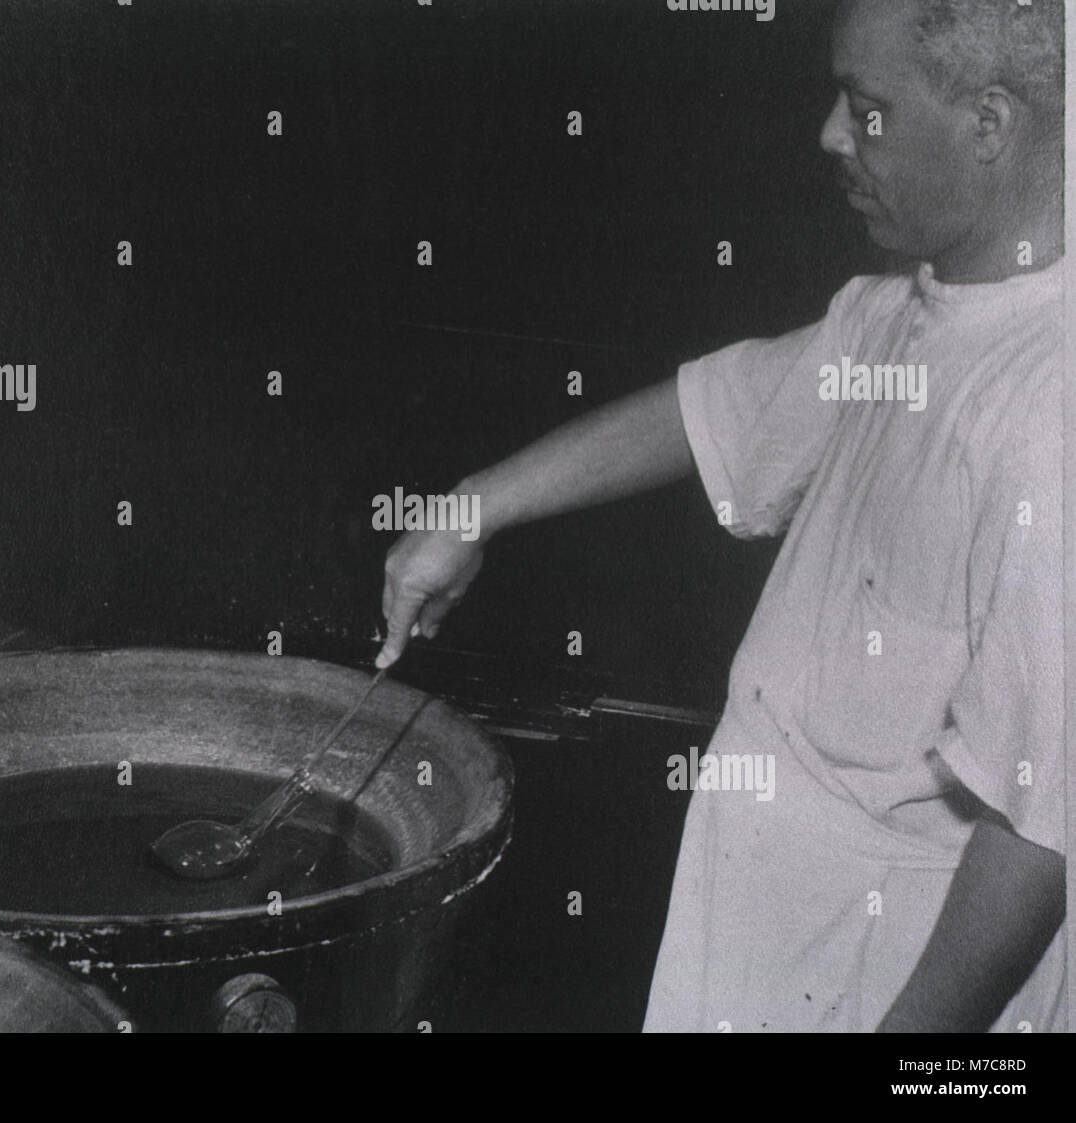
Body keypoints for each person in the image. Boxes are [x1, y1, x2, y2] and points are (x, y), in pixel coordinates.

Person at [374, 0, 1067, 1032]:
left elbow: (1035, 841)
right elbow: (716, 409)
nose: (830, 135)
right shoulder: (895, 313)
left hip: (891, 976)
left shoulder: (1050, 413)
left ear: (989, 122)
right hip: (763, 922)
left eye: (865, 108)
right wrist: (474, 506)